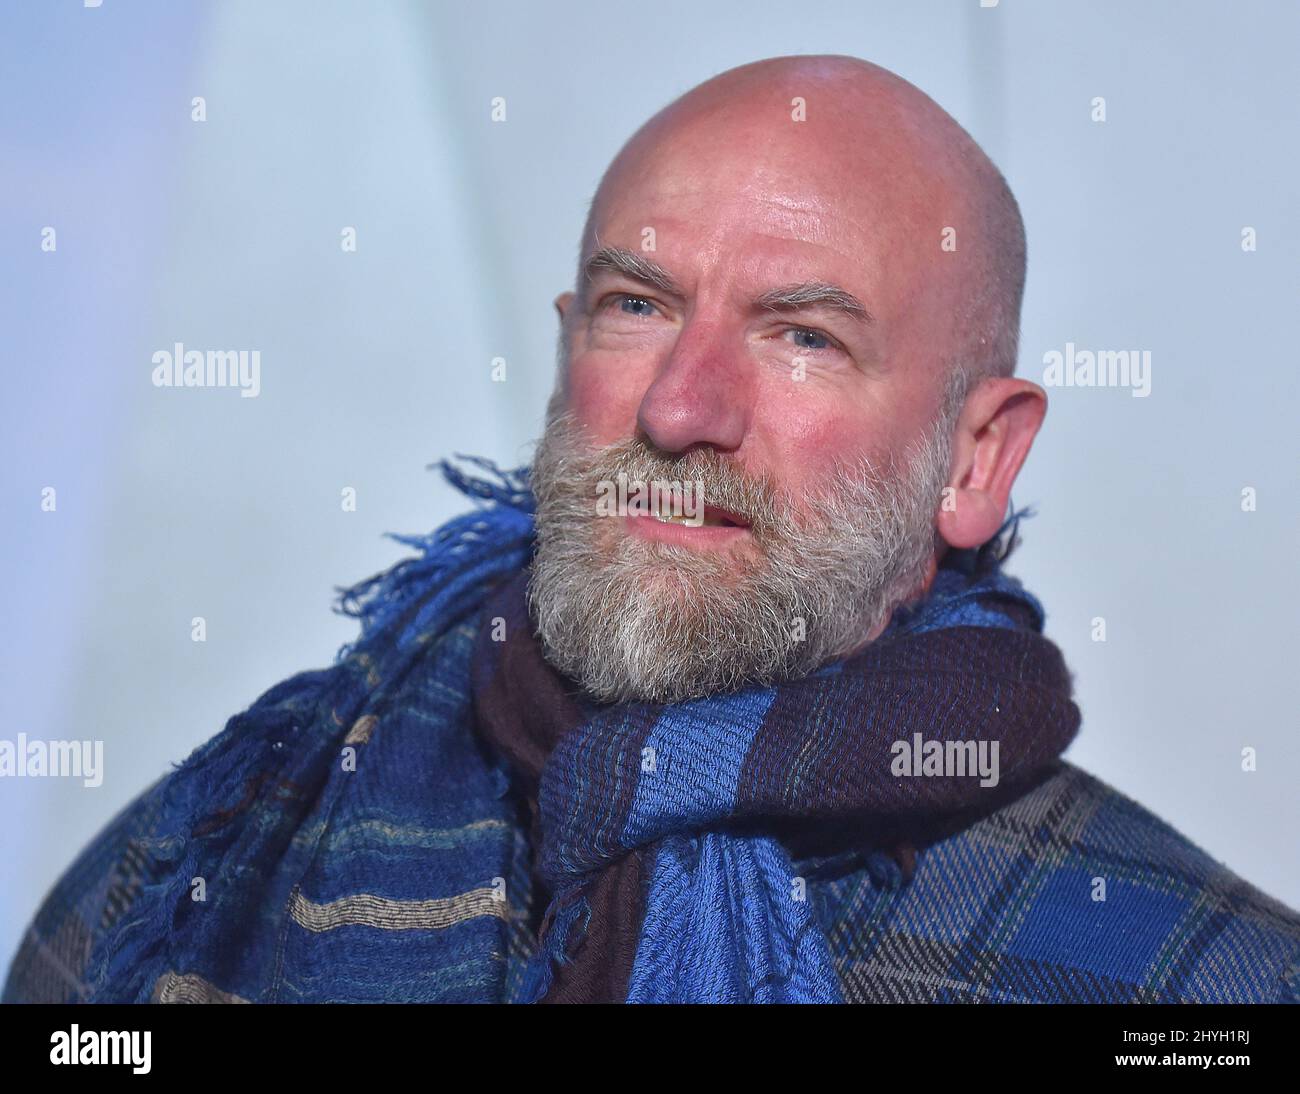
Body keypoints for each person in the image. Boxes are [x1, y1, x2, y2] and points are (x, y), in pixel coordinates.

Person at [6, 55, 1297, 1005]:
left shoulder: (1183, 976)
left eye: (803, 335)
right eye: (636, 305)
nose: (681, 409)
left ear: (977, 459)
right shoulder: (203, 874)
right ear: (568, 350)